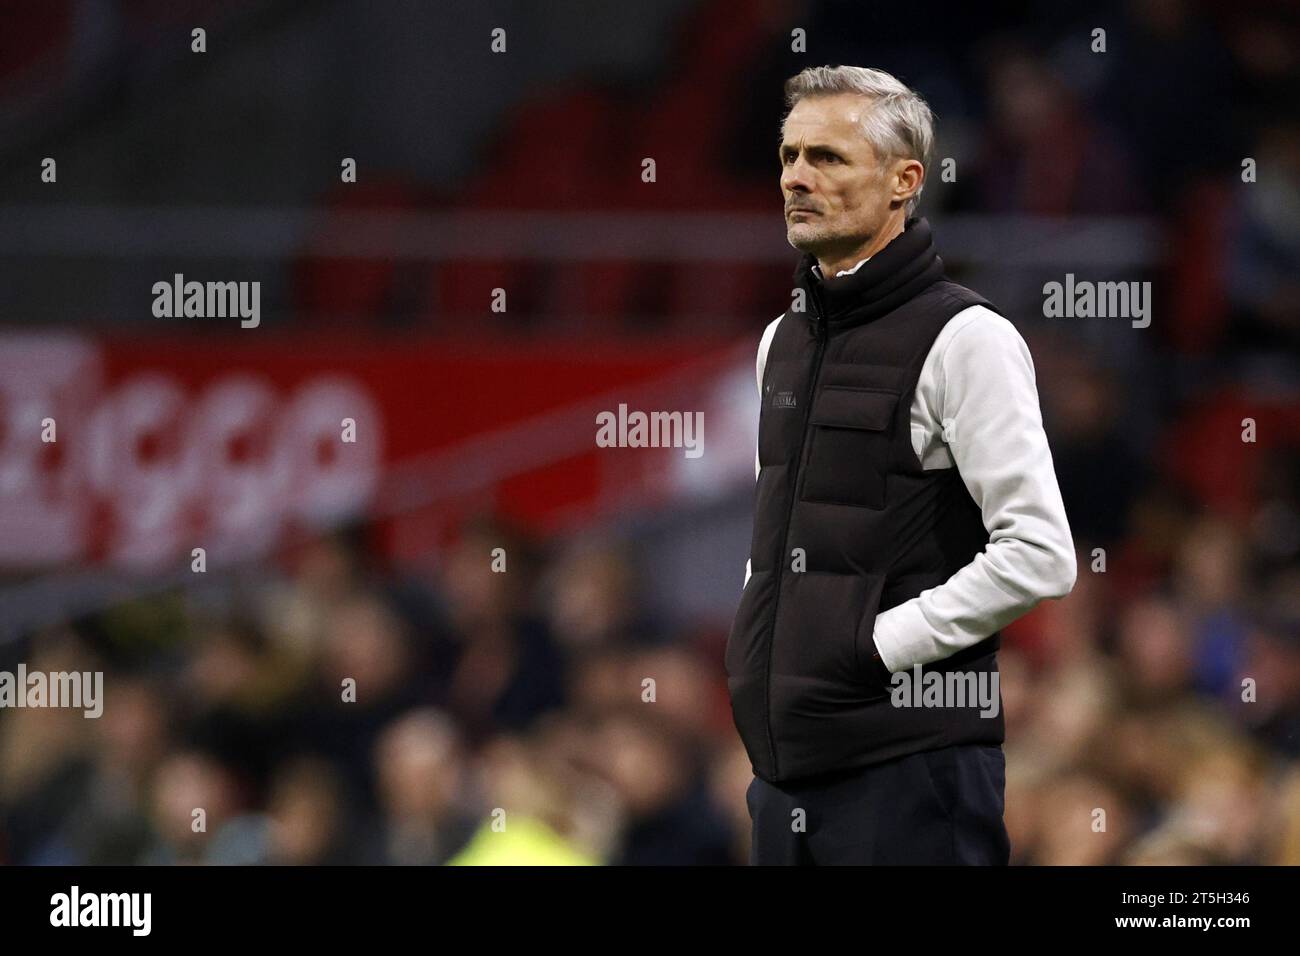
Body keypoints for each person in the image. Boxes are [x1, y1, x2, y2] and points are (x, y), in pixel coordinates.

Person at [726, 65, 1077, 865]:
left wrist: (873, 648)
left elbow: (1041, 555)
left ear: (904, 181)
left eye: (828, 158)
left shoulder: (968, 339)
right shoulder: (779, 343)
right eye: (788, 157)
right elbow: (772, 544)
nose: (796, 178)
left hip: (909, 779)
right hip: (783, 785)